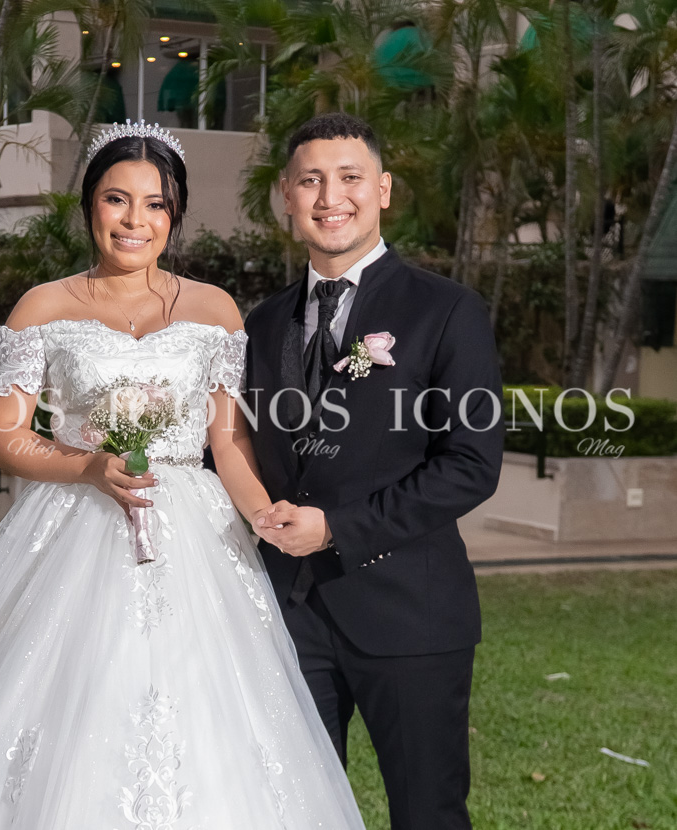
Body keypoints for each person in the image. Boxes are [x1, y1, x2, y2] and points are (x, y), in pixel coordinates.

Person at [0, 121, 366, 830]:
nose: (135, 221)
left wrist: (261, 512)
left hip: (194, 531)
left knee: (205, 703)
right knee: (70, 698)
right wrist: (90, 465)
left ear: (174, 214)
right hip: (75, 523)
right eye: (117, 200)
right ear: (90, 204)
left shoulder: (214, 310)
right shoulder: (44, 306)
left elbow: (228, 435)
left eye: (155, 204)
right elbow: (3, 435)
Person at [246, 112, 505, 830]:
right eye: (311, 181)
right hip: (287, 620)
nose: (332, 196)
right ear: (288, 198)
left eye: (350, 177)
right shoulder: (261, 324)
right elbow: (234, 451)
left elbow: (471, 465)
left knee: (427, 814)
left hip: (411, 617)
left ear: (383, 190)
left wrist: (337, 529)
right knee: (295, 812)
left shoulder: (448, 310)